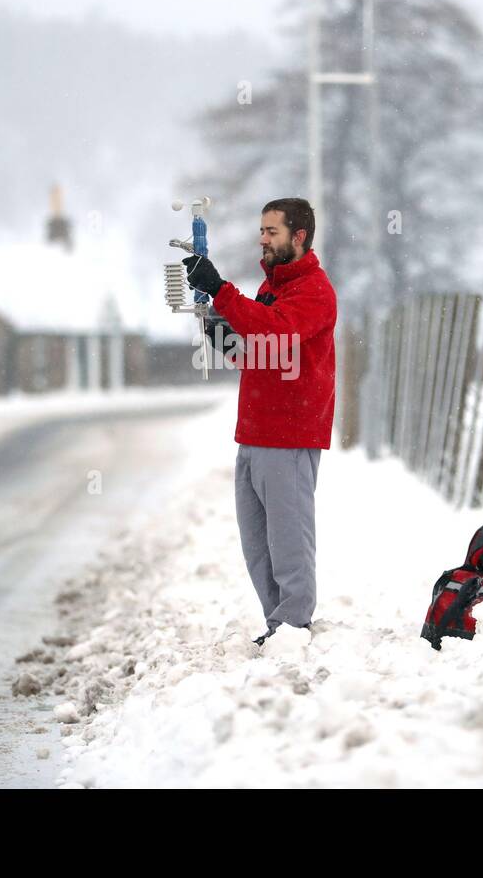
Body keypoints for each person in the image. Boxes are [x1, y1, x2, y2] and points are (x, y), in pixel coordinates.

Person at [182, 198, 338, 646]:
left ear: (299, 236)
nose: (263, 240)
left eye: (272, 231)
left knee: (289, 541)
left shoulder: (314, 290)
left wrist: (222, 291)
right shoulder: (274, 288)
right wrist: (221, 334)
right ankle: (278, 627)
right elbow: (259, 352)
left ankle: (294, 627)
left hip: (289, 435)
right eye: (262, 231)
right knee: (257, 545)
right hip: (254, 433)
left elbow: (273, 331)